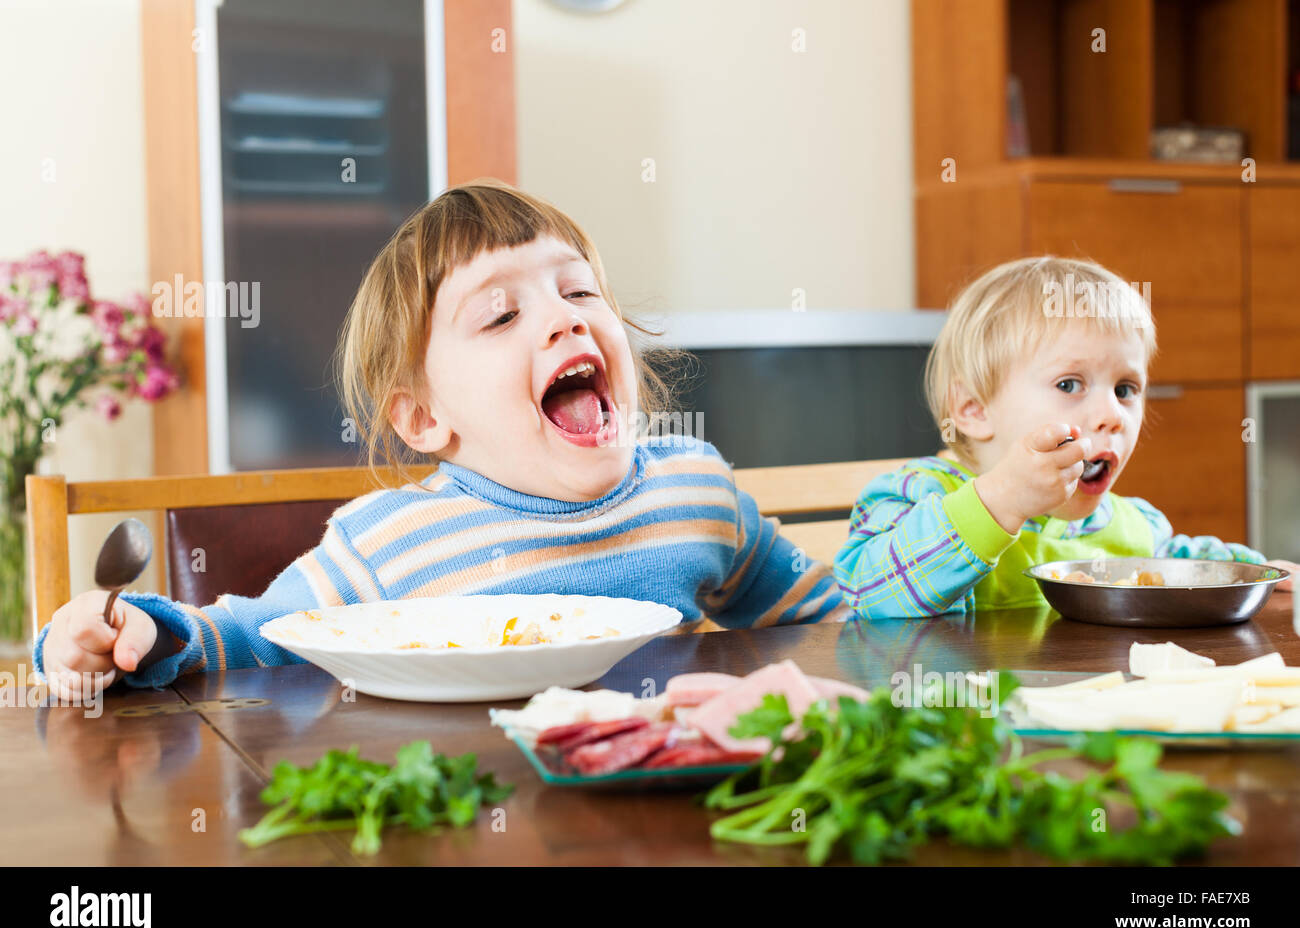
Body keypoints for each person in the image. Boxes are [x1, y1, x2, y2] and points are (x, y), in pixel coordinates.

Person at [37, 180, 843, 698]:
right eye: (501, 315)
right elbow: (251, 637)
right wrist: (132, 632)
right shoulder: (385, 544)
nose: (565, 317)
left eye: (579, 290)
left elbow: (823, 619)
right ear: (424, 419)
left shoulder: (695, 491)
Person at [835, 256, 1298, 618]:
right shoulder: (915, 494)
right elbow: (865, 595)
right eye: (1069, 385)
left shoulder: (1135, 526)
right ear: (972, 408)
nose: (1112, 415)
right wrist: (1001, 501)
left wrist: (1261, 574)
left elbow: (1188, 565)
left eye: (1125, 389)